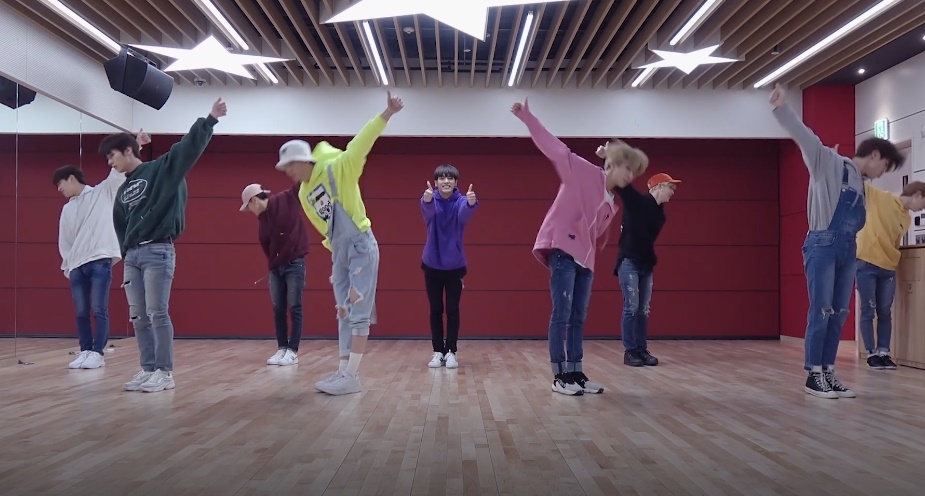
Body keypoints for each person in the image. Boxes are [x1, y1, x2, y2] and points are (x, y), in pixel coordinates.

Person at [770, 83, 903, 399]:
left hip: (848, 247)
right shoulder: (828, 162)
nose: (882, 173)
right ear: (875, 155)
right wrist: (782, 109)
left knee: (840, 311)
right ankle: (813, 374)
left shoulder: (861, 183)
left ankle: (828, 370)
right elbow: (804, 136)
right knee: (822, 309)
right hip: (823, 245)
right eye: (884, 166)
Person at [511, 97, 649, 396]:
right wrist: (528, 119)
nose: (630, 177)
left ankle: (575, 371)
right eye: (628, 169)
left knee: (577, 317)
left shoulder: (612, 203)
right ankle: (559, 376)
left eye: (634, 173)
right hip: (562, 250)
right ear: (613, 165)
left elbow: (597, 234)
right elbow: (555, 148)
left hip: (586, 262)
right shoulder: (582, 171)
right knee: (561, 314)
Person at [275, 91, 404, 396]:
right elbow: (323, 226)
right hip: (340, 253)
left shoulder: (338, 168)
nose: (288, 171)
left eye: (290, 164)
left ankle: (352, 375)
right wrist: (336, 254)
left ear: (304, 160)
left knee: (358, 311)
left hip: (361, 246)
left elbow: (361, 144)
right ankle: (344, 371)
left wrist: (386, 113)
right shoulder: (304, 194)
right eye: (285, 167)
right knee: (343, 311)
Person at [106, 98, 228, 393]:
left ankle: (164, 372)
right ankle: (148, 368)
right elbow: (120, 223)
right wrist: (125, 253)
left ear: (127, 151)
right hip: (133, 256)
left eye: (112, 156)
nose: (110, 162)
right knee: (138, 317)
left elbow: (187, 148)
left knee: (156, 312)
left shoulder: (162, 170)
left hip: (158, 251)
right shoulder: (123, 189)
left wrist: (210, 119)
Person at [55, 131, 149, 370]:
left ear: (72, 178)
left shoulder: (102, 192)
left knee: (99, 308)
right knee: (81, 311)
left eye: (60, 184)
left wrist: (136, 144)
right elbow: (65, 241)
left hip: (99, 261)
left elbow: (118, 173)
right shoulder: (66, 209)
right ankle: (85, 350)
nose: (59, 189)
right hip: (77, 266)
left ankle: (97, 352)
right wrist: (68, 266)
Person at [607, 153, 679, 368]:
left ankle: (641, 349)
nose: (672, 192)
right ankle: (630, 351)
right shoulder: (637, 202)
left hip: (646, 265)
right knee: (632, 307)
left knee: (643, 309)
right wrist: (607, 160)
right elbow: (622, 187)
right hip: (629, 262)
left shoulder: (661, 215)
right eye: (670, 187)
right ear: (658, 187)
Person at [239, 182, 311, 366]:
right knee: (278, 309)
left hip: (295, 264)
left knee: (295, 307)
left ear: (254, 201)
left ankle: (293, 351)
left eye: (248, 207)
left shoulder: (285, 198)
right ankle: (282, 348)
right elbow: (266, 246)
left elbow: (301, 184)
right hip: (276, 269)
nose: (250, 211)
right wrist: (274, 264)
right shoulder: (262, 220)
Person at [856, 181, 925, 369]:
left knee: (885, 312)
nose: (922, 209)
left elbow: (895, 241)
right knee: (868, 311)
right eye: (923, 204)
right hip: (867, 262)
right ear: (917, 195)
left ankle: (884, 353)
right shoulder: (882, 197)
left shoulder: (907, 219)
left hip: (888, 267)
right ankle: (871, 354)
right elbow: (860, 181)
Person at [420, 164, 479, 369]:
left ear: (455, 182)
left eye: (450, 178)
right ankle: (438, 351)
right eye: (442, 178)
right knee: (436, 309)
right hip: (432, 264)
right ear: (436, 182)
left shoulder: (461, 200)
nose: (446, 181)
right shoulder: (429, 198)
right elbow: (428, 214)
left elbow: (463, 215)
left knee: (452, 310)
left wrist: (471, 203)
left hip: (455, 266)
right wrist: (428, 200)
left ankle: (451, 351)